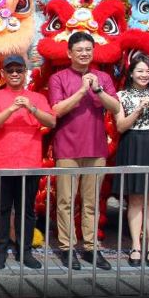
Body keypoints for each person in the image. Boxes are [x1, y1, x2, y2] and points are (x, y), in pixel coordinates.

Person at [48, 31, 121, 270]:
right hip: (67, 149)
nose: (84, 53)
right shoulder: (58, 78)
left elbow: (115, 106)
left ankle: (91, 248)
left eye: (88, 49)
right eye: (79, 49)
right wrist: (81, 91)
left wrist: (98, 90)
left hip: (96, 148)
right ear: (69, 53)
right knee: (66, 202)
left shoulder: (102, 77)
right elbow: (56, 110)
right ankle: (67, 248)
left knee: (92, 202)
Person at [0, 55, 55, 269]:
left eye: (19, 70)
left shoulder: (37, 98)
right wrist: (11, 109)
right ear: (3, 74)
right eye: (10, 70)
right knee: (1, 210)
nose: (15, 74)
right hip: (1, 163)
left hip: (29, 163)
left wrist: (31, 108)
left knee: (27, 211)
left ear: (25, 73)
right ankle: (0, 251)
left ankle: (25, 251)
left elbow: (51, 121)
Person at [113, 54, 149, 268]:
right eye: (140, 71)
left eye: (148, 71)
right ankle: (136, 246)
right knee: (135, 199)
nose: (144, 75)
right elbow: (120, 127)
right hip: (132, 144)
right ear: (130, 73)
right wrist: (137, 110)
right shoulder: (121, 95)